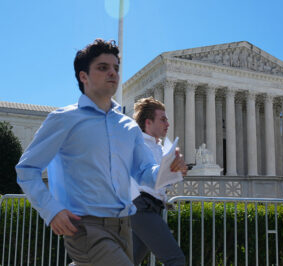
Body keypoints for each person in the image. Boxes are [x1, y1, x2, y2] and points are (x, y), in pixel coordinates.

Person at [15, 39, 186, 266]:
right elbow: (27, 169)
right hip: (86, 228)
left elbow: (145, 172)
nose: (113, 73)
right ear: (83, 76)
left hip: (124, 226)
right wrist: (51, 210)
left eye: (115, 68)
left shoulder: (128, 127)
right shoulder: (63, 119)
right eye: (103, 68)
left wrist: (170, 168)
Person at [131, 97, 185, 266]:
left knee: (126, 262)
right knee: (175, 260)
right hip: (140, 206)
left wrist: (178, 170)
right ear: (148, 122)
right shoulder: (136, 143)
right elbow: (148, 175)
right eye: (162, 119)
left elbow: (161, 182)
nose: (167, 124)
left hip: (151, 207)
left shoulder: (161, 148)